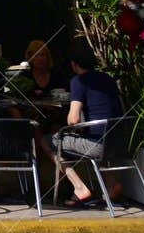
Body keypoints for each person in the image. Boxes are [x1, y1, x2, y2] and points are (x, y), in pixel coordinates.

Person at [47, 41, 125, 207]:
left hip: (97, 145)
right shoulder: (108, 79)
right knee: (94, 137)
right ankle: (111, 184)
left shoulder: (79, 81)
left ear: (74, 64)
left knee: (48, 141)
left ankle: (79, 187)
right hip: (119, 142)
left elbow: (73, 120)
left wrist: (68, 124)